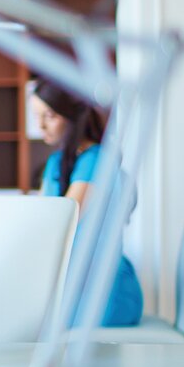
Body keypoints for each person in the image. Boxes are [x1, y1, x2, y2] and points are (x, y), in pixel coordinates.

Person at [29, 77, 143, 326]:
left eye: (49, 116)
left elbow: (63, 222)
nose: (40, 126)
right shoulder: (57, 163)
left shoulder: (96, 159)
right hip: (76, 286)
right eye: (36, 116)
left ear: (72, 117)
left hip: (102, 294)